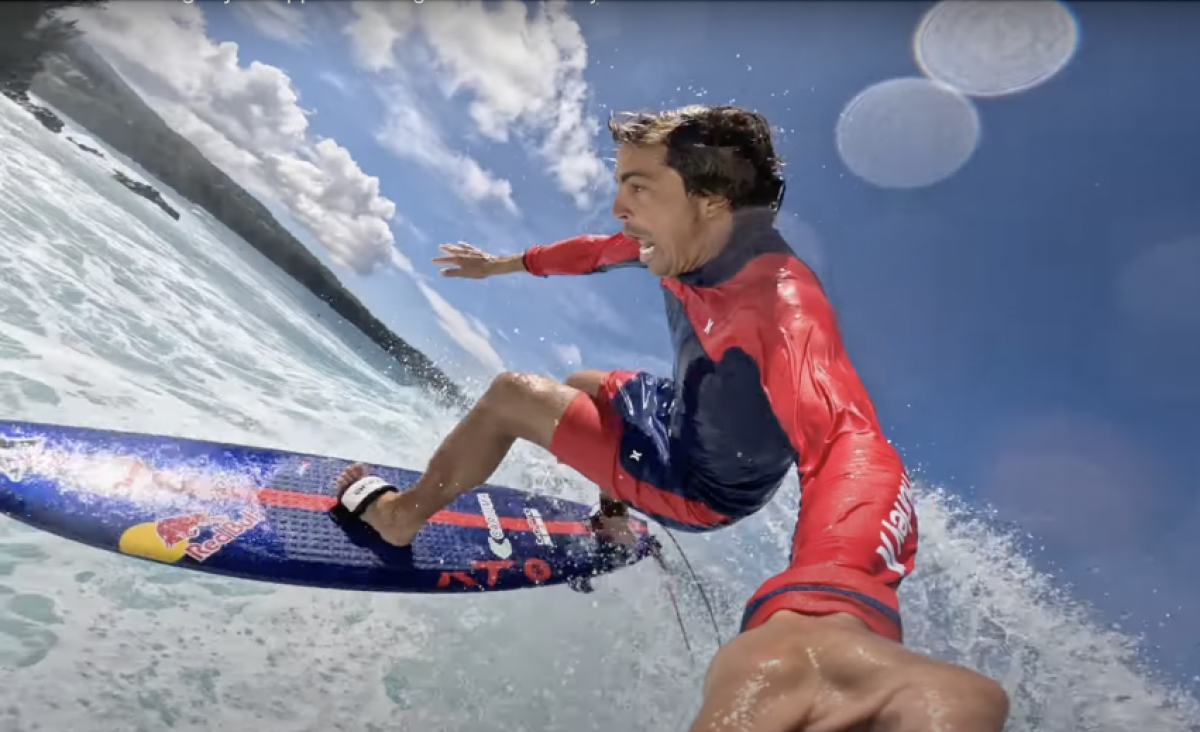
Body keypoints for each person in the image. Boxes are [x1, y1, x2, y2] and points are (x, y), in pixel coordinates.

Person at [332, 104, 1009, 731]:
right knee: (583, 383)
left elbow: (850, 444)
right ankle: (613, 520)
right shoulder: (685, 239)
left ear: (708, 201)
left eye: (638, 186)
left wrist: (831, 606)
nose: (618, 205)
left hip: (700, 482)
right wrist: (501, 266)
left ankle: (400, 518)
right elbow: (595, 251)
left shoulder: (779, 306)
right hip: (681, 416)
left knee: (514, 393)